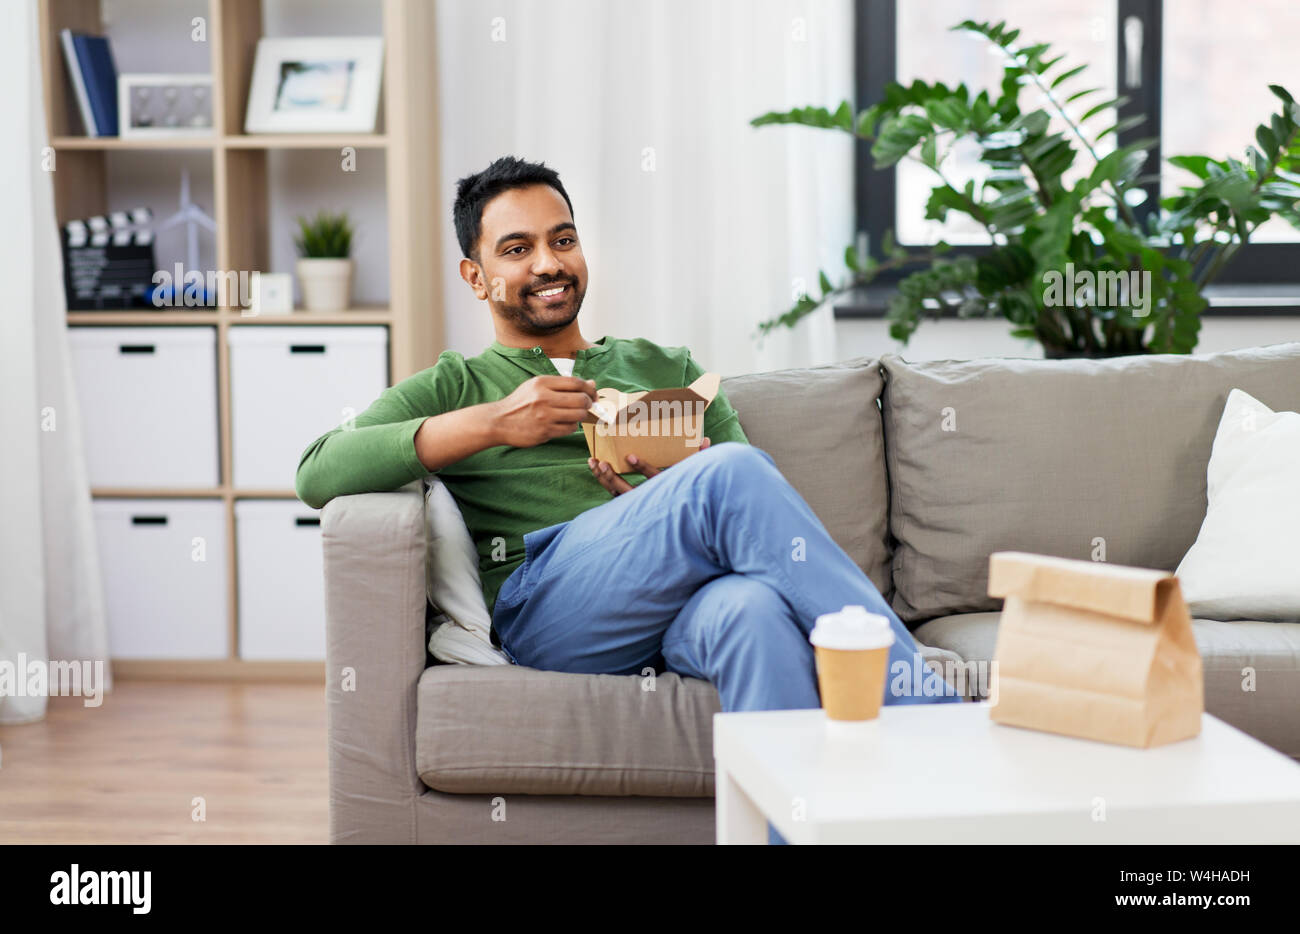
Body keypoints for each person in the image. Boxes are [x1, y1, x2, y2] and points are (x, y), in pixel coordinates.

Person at [295, 155, 962, 844]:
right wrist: (497, 423)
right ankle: (936, 726)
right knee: (728, 475)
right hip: (549, 609)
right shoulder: (458, 384)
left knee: (752, 611)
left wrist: (665, 495)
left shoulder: (666, 367)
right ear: (476, 276)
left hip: (684, 597)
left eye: (563, 239)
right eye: (517, 249)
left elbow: (761, 492)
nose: (550, 263)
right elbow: (317, 470)